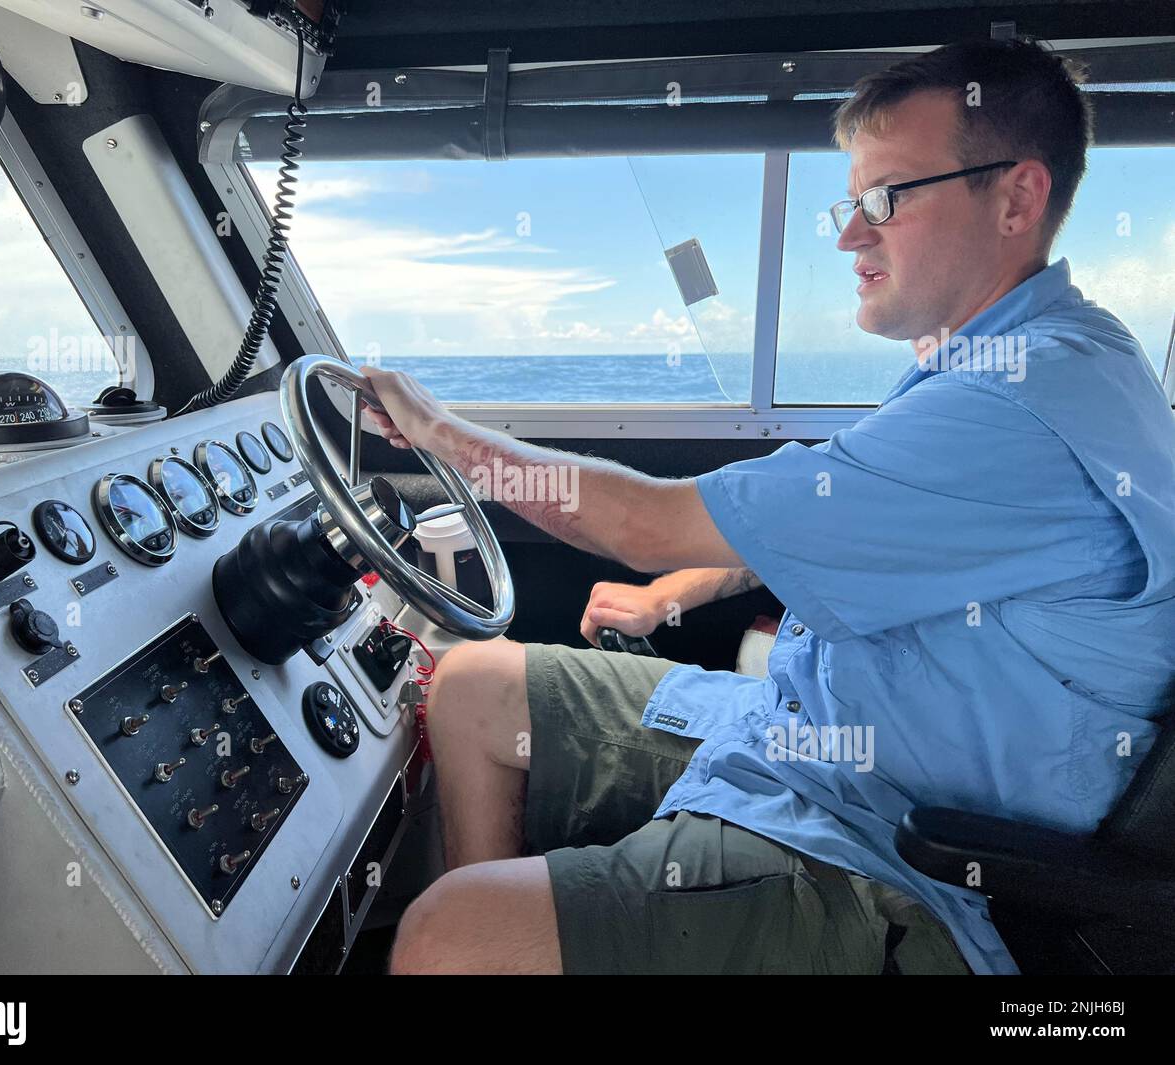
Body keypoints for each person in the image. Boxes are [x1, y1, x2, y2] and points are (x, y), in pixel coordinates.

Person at [361, 38, 1175, 974]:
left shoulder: (1023, 406)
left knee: (446, 935)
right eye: (852, 200)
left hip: (897, 854)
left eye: (887, 198)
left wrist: (439, 431)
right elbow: (838, 522)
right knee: (472, 690)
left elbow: (641, 518)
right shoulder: (1031, 357)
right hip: (803, 731)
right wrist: (678, 592)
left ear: (1018, 198)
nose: (849, 235)